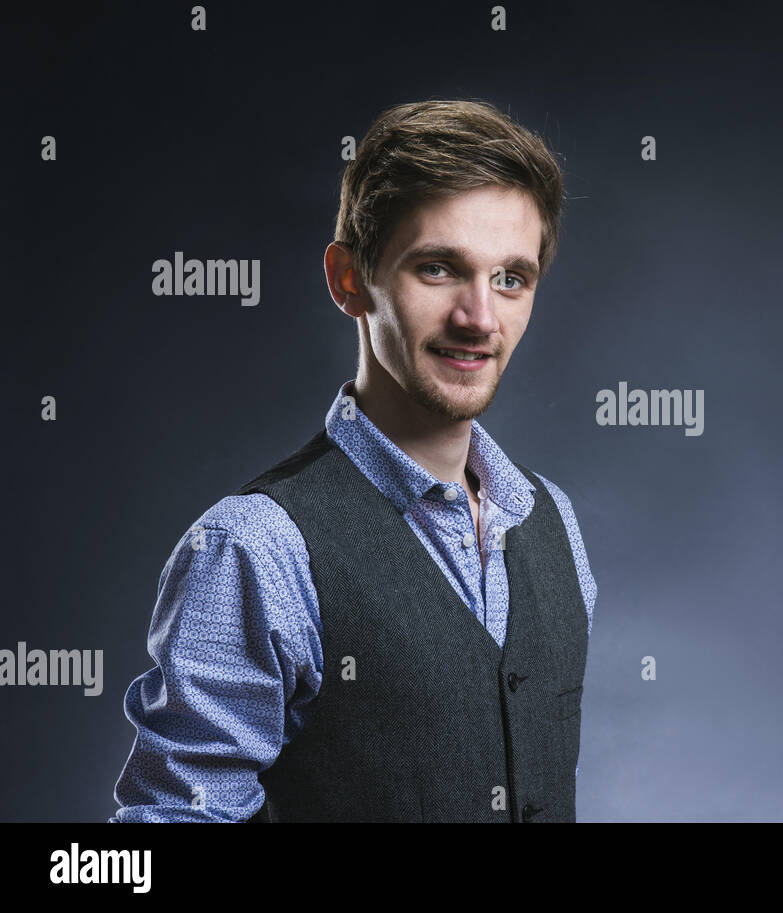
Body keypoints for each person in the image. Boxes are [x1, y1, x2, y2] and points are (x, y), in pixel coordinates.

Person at [111, 99, 596, 822]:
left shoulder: (554, 524)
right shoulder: (256, 547)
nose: (479, 317)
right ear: (349, 280)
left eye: (510, 279)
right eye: (438, 268)